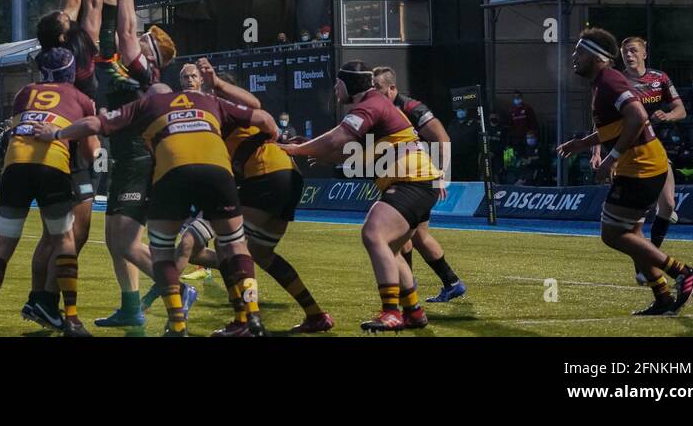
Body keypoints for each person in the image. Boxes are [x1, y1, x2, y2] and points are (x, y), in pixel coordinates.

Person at [36, 68, 280, 337]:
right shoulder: (208, 101)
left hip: (168, 171)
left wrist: (56, 134)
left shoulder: (149, 103)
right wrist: (272, 138)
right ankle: (251, 317)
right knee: (234, 244)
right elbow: (262, 116)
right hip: (217, 171)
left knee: (159, 248)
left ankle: (177, 323)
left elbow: (94, 124)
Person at [169, 60, 334, 335]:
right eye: (185, 78)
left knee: (227, 247)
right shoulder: (221, 116)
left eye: (194, 77)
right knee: (261, 253)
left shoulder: (221, 109)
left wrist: (218, 86)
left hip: (267, 175)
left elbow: (255, 107)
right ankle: (315, 314)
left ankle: (242, 321)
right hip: (288, 177)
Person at [280, 61, 442, 332]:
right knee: (390, 248)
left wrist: (294, 151)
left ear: (349, 84)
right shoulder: (376, 105)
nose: (334, 89)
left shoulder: (369, 105)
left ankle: (391, 312)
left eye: (337, 83)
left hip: (410, 181)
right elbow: (347, 151)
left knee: (373, 233)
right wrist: (310, 150)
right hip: (418, 182)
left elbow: (337, 139)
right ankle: (413, 311)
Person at [555, 28, 693, 316]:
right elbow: (617, 126)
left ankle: (683, 272)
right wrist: (582, 144)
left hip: (641, 167)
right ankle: (662, 297)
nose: (574, 57)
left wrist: (612, 158)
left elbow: (638, 116)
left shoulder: (609, 81)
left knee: (611, 234)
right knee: (632, 233)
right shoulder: (603, 82)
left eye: (579, 52)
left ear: (597, 56)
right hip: (642, 165)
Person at [0, 49, 97, 338]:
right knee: (65, 241)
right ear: (71, 73)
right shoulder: (82, 99)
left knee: (2, 247)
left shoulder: (24, 92)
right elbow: (91, 152)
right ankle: (72, 320)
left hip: (15, 167)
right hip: (52, 166)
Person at [91, 0, 180, 330]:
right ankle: (130, 307)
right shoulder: (134, 72)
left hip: (139, 163)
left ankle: (175, 289)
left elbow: (126, 34)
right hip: (125, 161)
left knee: (127, 244)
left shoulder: (146, 73)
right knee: (114, 242)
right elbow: (113, 33)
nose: (138, 39)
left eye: (146, 42)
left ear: (152, 54)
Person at [21, 0, 103, 330]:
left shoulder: (50, 50)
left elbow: (70, 2)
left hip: (48, 146)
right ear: (63, 33)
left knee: (53, 234)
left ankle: (39, 301)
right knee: (77, 234)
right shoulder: (83, 51)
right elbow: (90, 6)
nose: (67, 15)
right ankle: (55, 306)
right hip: (72, 144)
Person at [371, 67, 467, 304]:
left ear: (392, 88)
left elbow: (442, 138)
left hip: (416, 183)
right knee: (417, 236)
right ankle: (450, 283)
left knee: (399, 237)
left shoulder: (412, 108)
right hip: (403, 179)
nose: (374, 93)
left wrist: (440, 177)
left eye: (378, 89)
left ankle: (409, 290)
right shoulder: (380, 110)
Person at [617, 36, 686, 281]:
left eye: (634, 51)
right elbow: (601, 117)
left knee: (667, 205)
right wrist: (596, 151)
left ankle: (648, 261)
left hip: (658, 149)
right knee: (636, 216)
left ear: (644, 54)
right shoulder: (618, 81)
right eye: (625, 52)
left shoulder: (660, 79)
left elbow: (681, 110)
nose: (629, 55)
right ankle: (645, 266)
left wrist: (667, 116)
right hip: (631, 151)